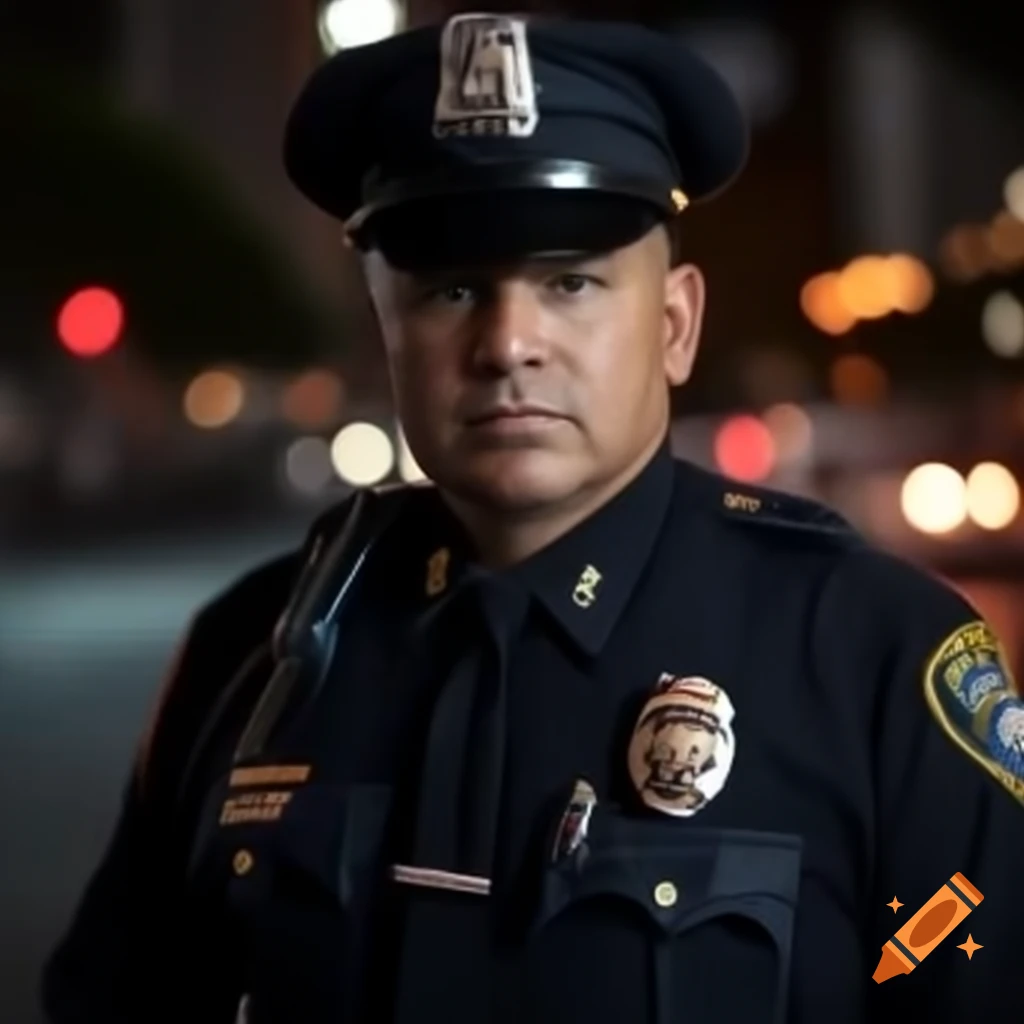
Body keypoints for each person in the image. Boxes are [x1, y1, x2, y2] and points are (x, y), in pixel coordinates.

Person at [41, 12, 1024, 1024]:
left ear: (675, 323)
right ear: (387, 328)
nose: (508, 342)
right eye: (451, 288)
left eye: (570, 282)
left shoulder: (871, 661)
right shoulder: (249, 661)